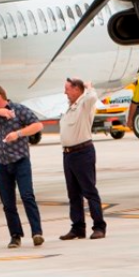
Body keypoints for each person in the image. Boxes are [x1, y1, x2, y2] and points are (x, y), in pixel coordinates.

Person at [0, 85, 45, 248]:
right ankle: (15, 235)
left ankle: (37, 232)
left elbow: (37, 125)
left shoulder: (19, 109)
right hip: (2, 162)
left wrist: (18, 134)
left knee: (27, 196)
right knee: (8, 202)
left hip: (20, 160)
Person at [60, 77, 107, 240]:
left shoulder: (85, 104)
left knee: (89, 191)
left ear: (77, 89)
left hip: (82, 152)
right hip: (68, 154)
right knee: (73, 194)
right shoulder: (71, 107)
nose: (65, 92)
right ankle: (78, 227)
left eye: (67, 88)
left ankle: (99, 226)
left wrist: (88, 87)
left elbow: (93, 97)